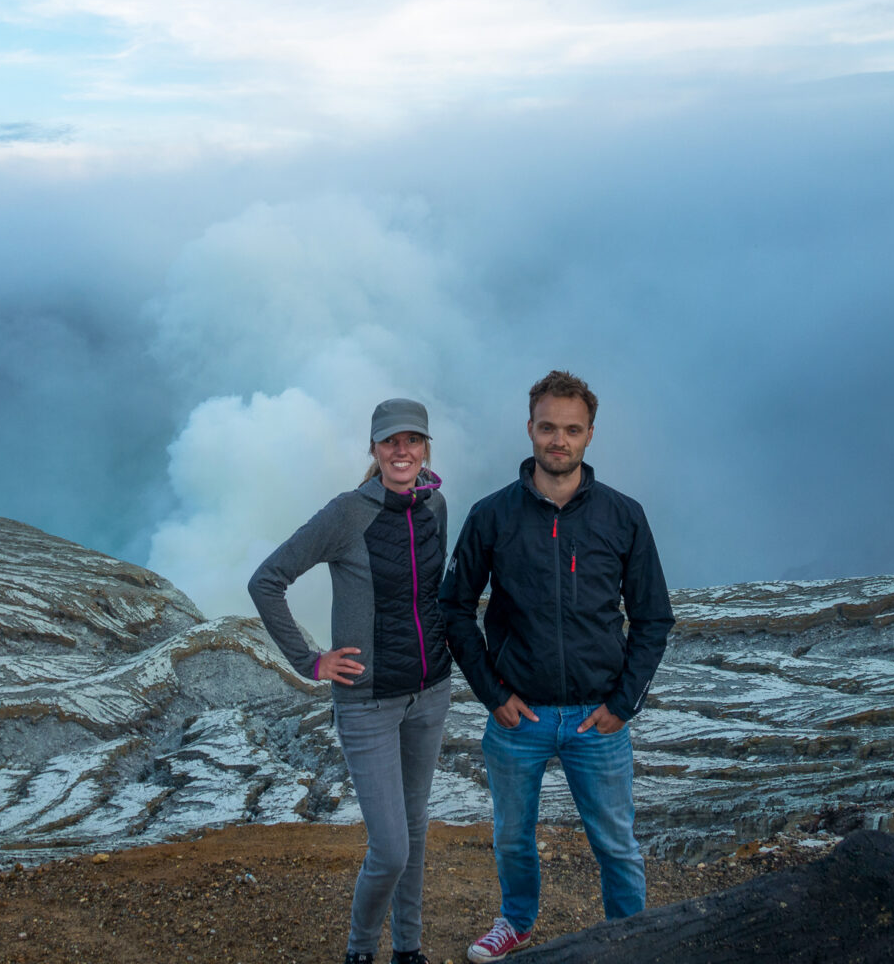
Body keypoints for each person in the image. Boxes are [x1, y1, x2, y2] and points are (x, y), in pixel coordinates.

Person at [248, 398, 502, 964]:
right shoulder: (347, 513)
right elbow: (267, 580)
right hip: (366, 704)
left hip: (430, 693)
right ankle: (360, 950)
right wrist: (311, 660)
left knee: (413, 835)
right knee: (389, 849)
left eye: (412, 440)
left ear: (426, 447)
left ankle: (407, 950)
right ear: (374, 448)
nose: (402, 451)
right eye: (390, 441)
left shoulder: (435, 504)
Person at [440, 370, 675, 963]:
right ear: (530, 429)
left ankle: (632, 940)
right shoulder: (492, 516)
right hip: (518, 718)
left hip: (598, 721)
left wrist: (623, 706)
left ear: (590, 434)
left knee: (616, 844)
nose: (558, 440)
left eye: (572, 430)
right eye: (548, 428)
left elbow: (654, 618)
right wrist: (492, 694)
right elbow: (453, 607)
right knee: (513, 839)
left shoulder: (623, 516)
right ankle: (516, 922)